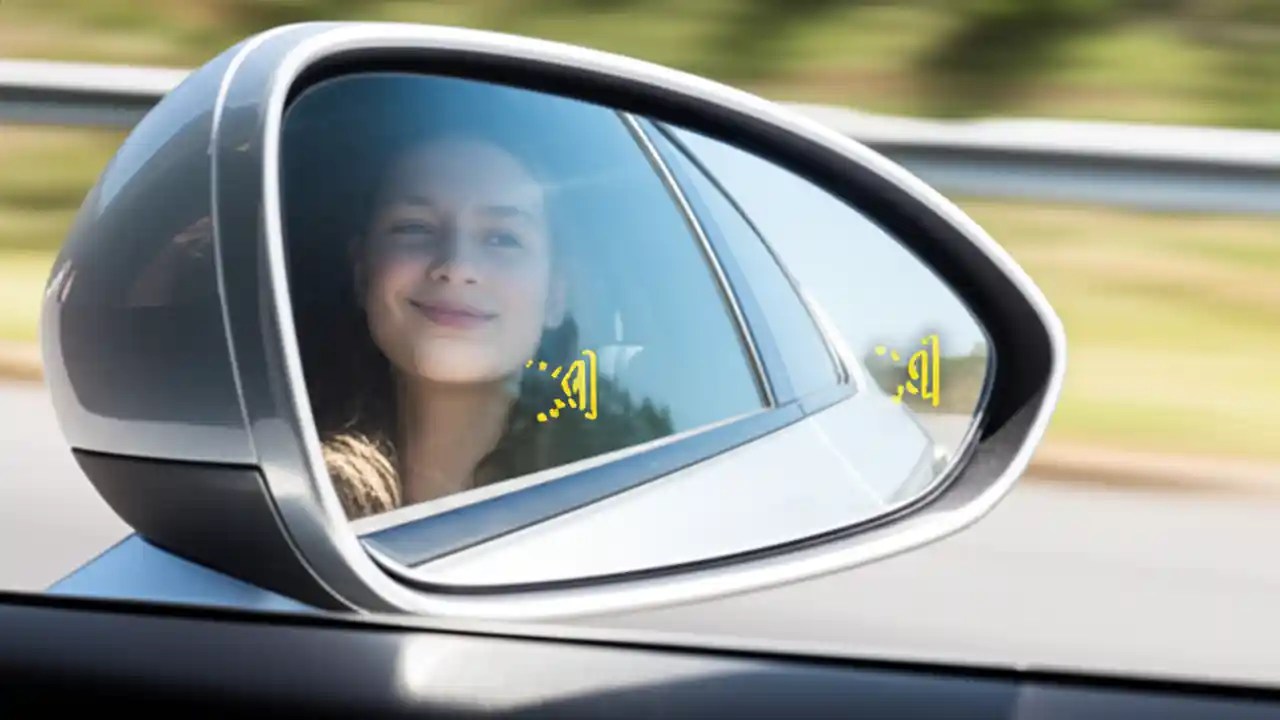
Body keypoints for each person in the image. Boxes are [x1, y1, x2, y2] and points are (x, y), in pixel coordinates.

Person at [293, 132, 675, 520]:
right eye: (415, 227)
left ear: (556, 295)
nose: (457, 266)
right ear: (362, 273)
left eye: (502, 238)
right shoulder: (291, 484)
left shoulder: (612, 492)